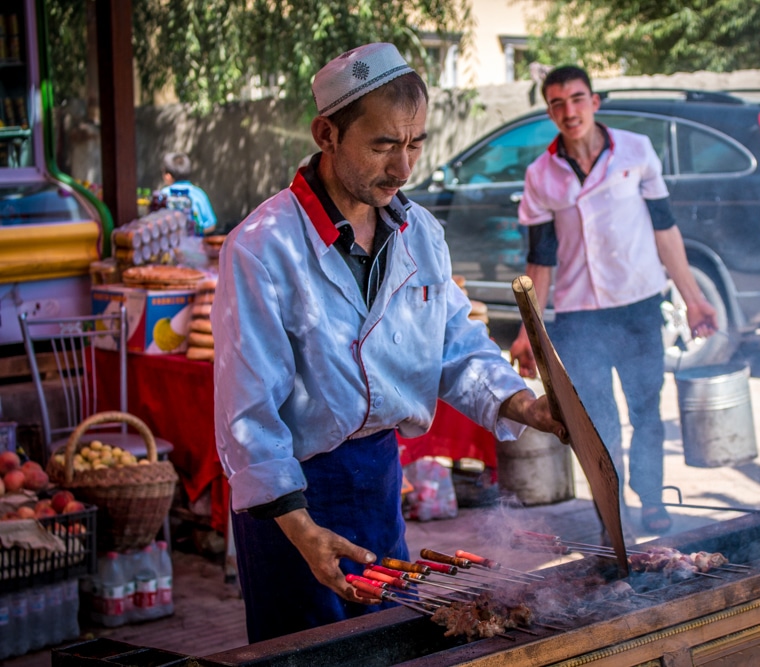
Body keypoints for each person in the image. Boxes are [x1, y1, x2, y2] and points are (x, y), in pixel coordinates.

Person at [212, 43, 565, 643]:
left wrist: (524, 404)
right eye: (382, 146)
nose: (403, 168)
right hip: (293, 499)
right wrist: (301, 529)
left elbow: (455, 344)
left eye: (415, 144)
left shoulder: (419, 232)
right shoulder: (262, 247)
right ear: (327, 134)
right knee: (307, 656)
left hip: (377, 482)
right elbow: (248, 413)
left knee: (386, 646)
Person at [510, 65, 718, 536]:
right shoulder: (541, 174)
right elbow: (540, 260)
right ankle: (611, 511)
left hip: (637, 306)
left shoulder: (636, 150)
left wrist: (694, 299)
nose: (569, 111)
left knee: (646, 410)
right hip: (579, 316)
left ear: (594, 102)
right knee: (597, 422)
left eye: (577, 99)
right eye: (558, 103)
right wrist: (528, 331)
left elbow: (665, 231)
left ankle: (652, 498)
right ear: (550, 112)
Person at [161, 151, 218, 235]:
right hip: (194, 242)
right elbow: (211, 225)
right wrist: (193, 232)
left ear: (168, 176)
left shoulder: (162, 195)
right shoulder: (198, 194)